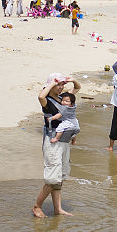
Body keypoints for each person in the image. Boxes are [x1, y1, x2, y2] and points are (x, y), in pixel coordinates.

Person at [34, 74, 80, 217]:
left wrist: (72, 80)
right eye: (57, 85)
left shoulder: (62, 99)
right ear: (50, 86)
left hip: (64, 140)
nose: (60, 88)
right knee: (53, 177)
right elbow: (40, 97)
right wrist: (51, 84)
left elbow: (77, 88)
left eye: (62, 85)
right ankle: (37, 206)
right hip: (52, 140)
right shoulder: (47, 101)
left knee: (60, 175)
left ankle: (57, 209)